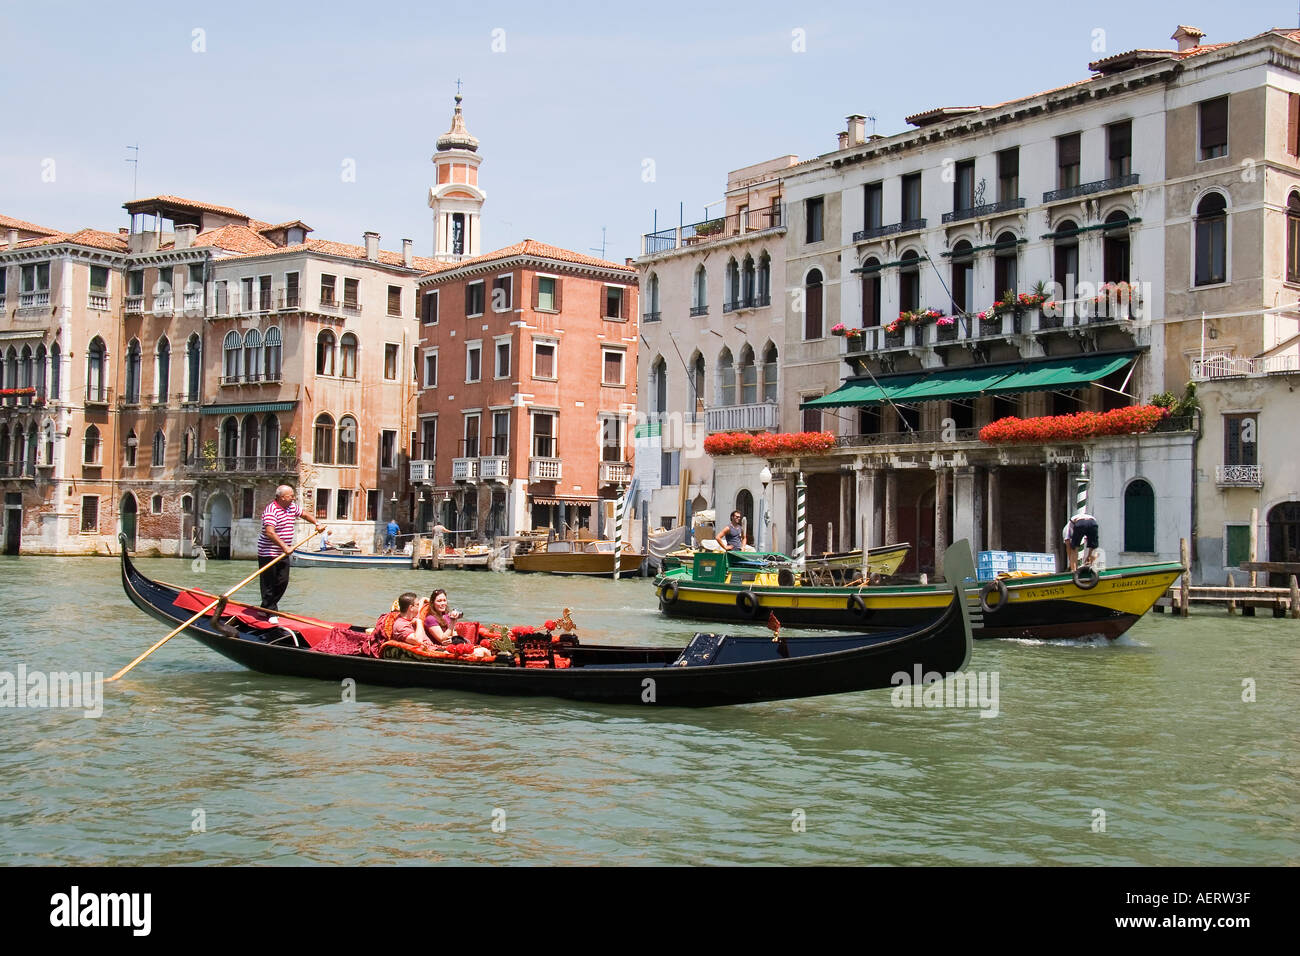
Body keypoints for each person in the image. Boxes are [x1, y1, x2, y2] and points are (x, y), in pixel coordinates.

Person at [258, 485, 325, 618]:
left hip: (283, 552)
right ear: (282, 497)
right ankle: (271, 611)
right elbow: (270, 533)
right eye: (291, 496)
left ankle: (266, 608)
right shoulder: (271, 511)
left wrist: (317, 523)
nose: (294, 498)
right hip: (268, 552)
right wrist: (284, 547)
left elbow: (304, 514)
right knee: (269, 584)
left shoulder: (291, 507)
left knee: (282, 581)